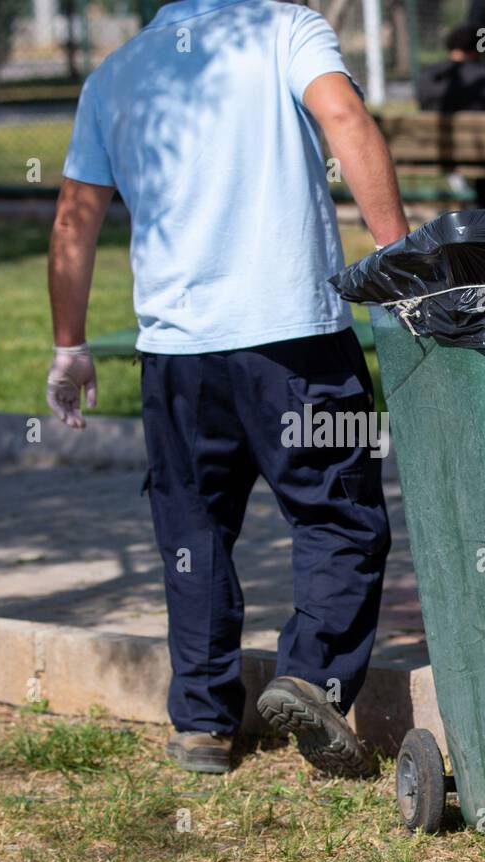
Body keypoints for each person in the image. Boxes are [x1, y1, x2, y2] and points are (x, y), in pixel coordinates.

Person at [44, 0, 409, 777]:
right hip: (297, 342)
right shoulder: (284, 29)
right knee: (339, 515)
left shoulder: (114, 74)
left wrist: (69, 347)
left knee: (194, 533)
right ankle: (310, 676)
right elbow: (344, 115)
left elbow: (75, 217)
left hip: (178, 357)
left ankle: (203, 726)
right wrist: (399, 264)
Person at [416, 24, 485, 207]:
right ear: (475, 49)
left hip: (433, 152)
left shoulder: (428, 77)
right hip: (481, 154)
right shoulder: (481, 77)